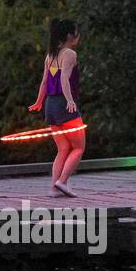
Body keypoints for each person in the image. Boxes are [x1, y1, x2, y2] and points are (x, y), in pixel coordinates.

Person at [28, 19, 86, 197]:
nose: (78, 35)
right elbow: (64, 80)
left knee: (63, 149)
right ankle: (62, 181)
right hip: (63, 105)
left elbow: (45, 82)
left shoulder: (50, 55)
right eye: (76, 31)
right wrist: (70, 101)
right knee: (78, 147)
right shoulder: (69, 53)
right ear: (70, 35)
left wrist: (39, 102)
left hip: (50, 106)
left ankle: (55, 188)